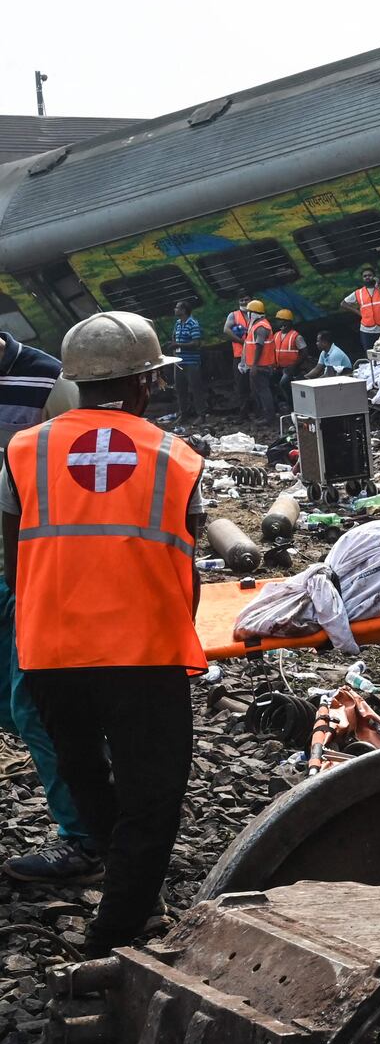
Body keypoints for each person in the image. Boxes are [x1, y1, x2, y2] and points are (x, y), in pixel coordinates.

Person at [2, 312, 206, 955]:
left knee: (84, 772)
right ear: (146, 383)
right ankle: (119, 929)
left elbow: (14, 563)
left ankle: (127, 895)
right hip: (144, 652)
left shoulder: (22, 452)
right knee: (154, 792)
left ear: (73, 384)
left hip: (51, 649)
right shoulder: (176, 458)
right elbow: (189, 565)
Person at [0, 326, 94, 884]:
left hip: (27, 569)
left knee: (35, 706)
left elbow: (72, 475)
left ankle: (85, 839)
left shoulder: (45, 382)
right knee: (15, 708)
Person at [341, 266, 380, 356]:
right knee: (371, 356)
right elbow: (343, 303)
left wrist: (378, 288)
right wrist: (359, 313)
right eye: (365, 276)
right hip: (367, 331)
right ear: (362, 278)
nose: (367, 277)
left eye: (370, 275)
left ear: (374, 277)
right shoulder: (359, 292)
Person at [240, 301, 279, 420]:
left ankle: (268, 416)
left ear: (254, 313)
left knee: (263, 390)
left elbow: (259, 346)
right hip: (260, 365)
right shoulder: (258, 325)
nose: (248, 315)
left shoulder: (261, 327)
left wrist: (255, 366)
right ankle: (265, 414)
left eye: (249, 313)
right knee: (260, 390)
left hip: (261, 365)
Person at [169, 300, 203, 422]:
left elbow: (196, 343)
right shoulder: (178, 323)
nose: (175, 309)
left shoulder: (193, 324)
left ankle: (201, 414)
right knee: (180, 388)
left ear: (183, 310)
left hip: (191, 362)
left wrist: (178, 344)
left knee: (195, 387)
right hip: (179, 361)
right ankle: (184, 413)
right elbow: (174, 336)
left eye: (177, 308)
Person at [270, 309, 306, 412]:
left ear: (287, 322)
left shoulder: (296, 336)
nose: (279, 322)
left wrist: (294, 365)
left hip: (290, 368)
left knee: (284, 383)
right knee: (269, 382)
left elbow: (304, 353)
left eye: (281, 320)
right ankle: (278, 406)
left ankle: (292, 407)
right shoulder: (276, 335)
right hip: (278, 367)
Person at [224, 294, 252, 414]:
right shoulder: (234, 315)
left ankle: (258, 411)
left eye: (246, 299)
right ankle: (244, 412)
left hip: (255, 355)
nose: (244, 302)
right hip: (240, 355)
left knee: (255, 384)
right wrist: (241, 341)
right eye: (242, 300)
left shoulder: (256, 314)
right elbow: (226, 330)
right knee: (241, 385)